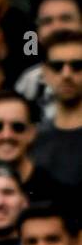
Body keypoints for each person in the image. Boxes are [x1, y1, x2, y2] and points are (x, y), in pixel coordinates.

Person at [32, 28, 82, 185]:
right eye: (57, 66)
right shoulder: (33, 137)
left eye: (77, 66)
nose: (66, 74)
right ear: (45, 72)